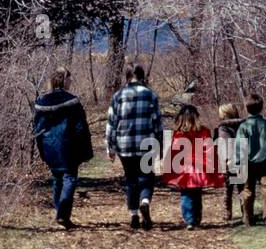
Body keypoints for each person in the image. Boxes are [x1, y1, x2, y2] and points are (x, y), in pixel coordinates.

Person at [32, 67, 92, 230]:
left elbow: (37, 129)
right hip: (68, 146)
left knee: (58, 178)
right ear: (63, 80)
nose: (71, 82)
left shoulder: (41, 102)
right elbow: (80, 127)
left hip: (48, 146)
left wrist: (41, 149)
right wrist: (86, 150)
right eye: (69, 79)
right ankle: (63, 213)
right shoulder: (72, 101)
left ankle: (60, 211)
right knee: (69, 178)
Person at [105, 64, 164, 230]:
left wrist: (110, 147)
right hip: (146, 143)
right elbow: (158, 123)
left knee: (131, 180)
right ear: (142, 76)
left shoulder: (118, 96)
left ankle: (134, 215)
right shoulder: (150, 95)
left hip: (125, 145)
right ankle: (145, 201)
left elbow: (111, 123)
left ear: (127, 76)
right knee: (146, 176)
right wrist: (161, 143)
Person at [162, 105, 225, 229]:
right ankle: (196, 218)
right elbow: (209, 149)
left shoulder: (178, 134)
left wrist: (170, 167)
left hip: (185, 170)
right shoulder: (204, 131)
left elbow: (174, 151)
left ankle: (190, 219)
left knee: (186, 194)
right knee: (197, 194)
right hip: (199, 169)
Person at [235, 93, 266, 228]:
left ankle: (247, 217)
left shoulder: (243, 127)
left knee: (247, 189)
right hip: (265, 163)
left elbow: (239, 146)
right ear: (261, 107)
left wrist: (237, 162)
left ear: (246, 109)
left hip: (247, 163)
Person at [215, 103, 243, 221]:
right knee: (242, 188)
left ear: (225, 114)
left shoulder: (223, 127)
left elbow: (225, 143)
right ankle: (246, 212)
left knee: (228, 189)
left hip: (229, 161)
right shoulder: (243, 124)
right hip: (242, 160)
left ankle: (227, 213)